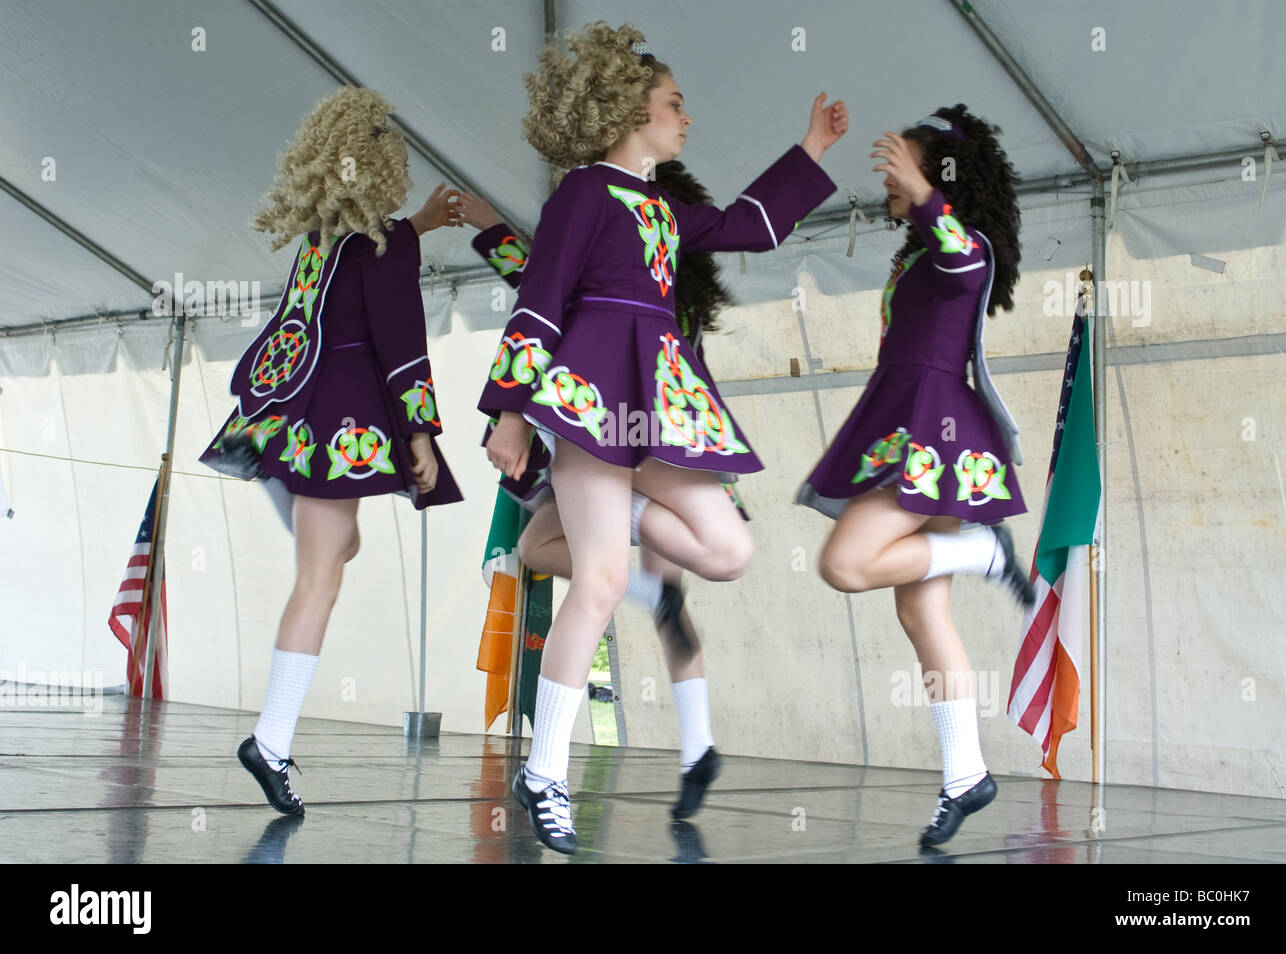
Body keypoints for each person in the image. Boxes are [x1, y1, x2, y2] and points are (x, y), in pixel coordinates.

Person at [478, 21, 846, 854]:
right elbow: (537, 299)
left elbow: (747, 227)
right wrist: (507, 408)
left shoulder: (663, 208)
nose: (687, 118)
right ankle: (545, 773)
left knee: (727, 548)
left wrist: (810, 149)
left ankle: (623, 514)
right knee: (601, 584)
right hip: (591, 396)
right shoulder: (580, 194)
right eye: (674, 104)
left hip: (661, 402)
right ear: (626, 109)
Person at [200, 86, 464, 815]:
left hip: (295, 418)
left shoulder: (325, 241)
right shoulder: (380, 246)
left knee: (338, 551)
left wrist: (421, 224)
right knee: (322, 575)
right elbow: (402, 346)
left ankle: (279, 487)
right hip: (341, 425)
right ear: (377, 164)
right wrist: (421, 435)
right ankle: (272, 742)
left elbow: (367, 266)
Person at [461, 161, 744, 821]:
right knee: (556, 552)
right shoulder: (679, 288)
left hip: (629, 442)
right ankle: (698, 743)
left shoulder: (640, 275)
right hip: (664, 444)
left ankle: (693, 740)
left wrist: (490, 229)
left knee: (585, 563)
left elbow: (541, 286)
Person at [796, 105, 1032, 847]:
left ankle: (985, 552)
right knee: (921, 615)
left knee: (844, 563)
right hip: (909, 419)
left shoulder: (966, 248)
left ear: (939, 178)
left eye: (905, 166)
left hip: (934, 429)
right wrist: (919, 195)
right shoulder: (916, 251)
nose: (890, 179)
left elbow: (959, 256)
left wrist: (923, 192)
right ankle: (966, 775)